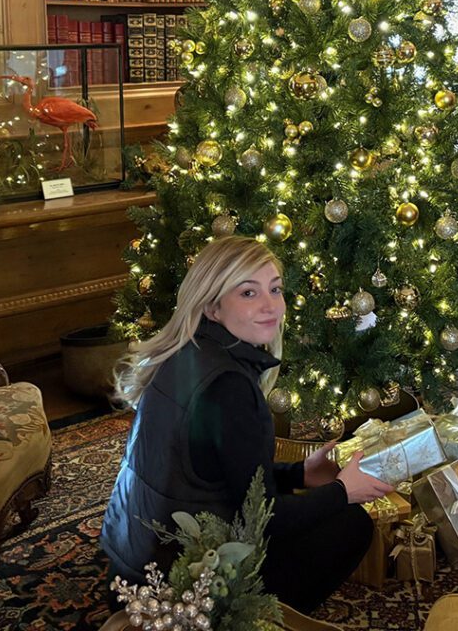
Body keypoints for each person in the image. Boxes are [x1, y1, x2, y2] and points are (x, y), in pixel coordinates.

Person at [100, 235, 392, 614]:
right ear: (212, 306)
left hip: (132, 572)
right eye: (248, 293)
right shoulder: (229, 387)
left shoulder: (182, 352)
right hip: (179, 594)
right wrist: (342, 491)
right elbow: (263, 520)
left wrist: (299, 473)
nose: (271, 306)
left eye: (275, 289)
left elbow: (216, 474)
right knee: (352, 524)